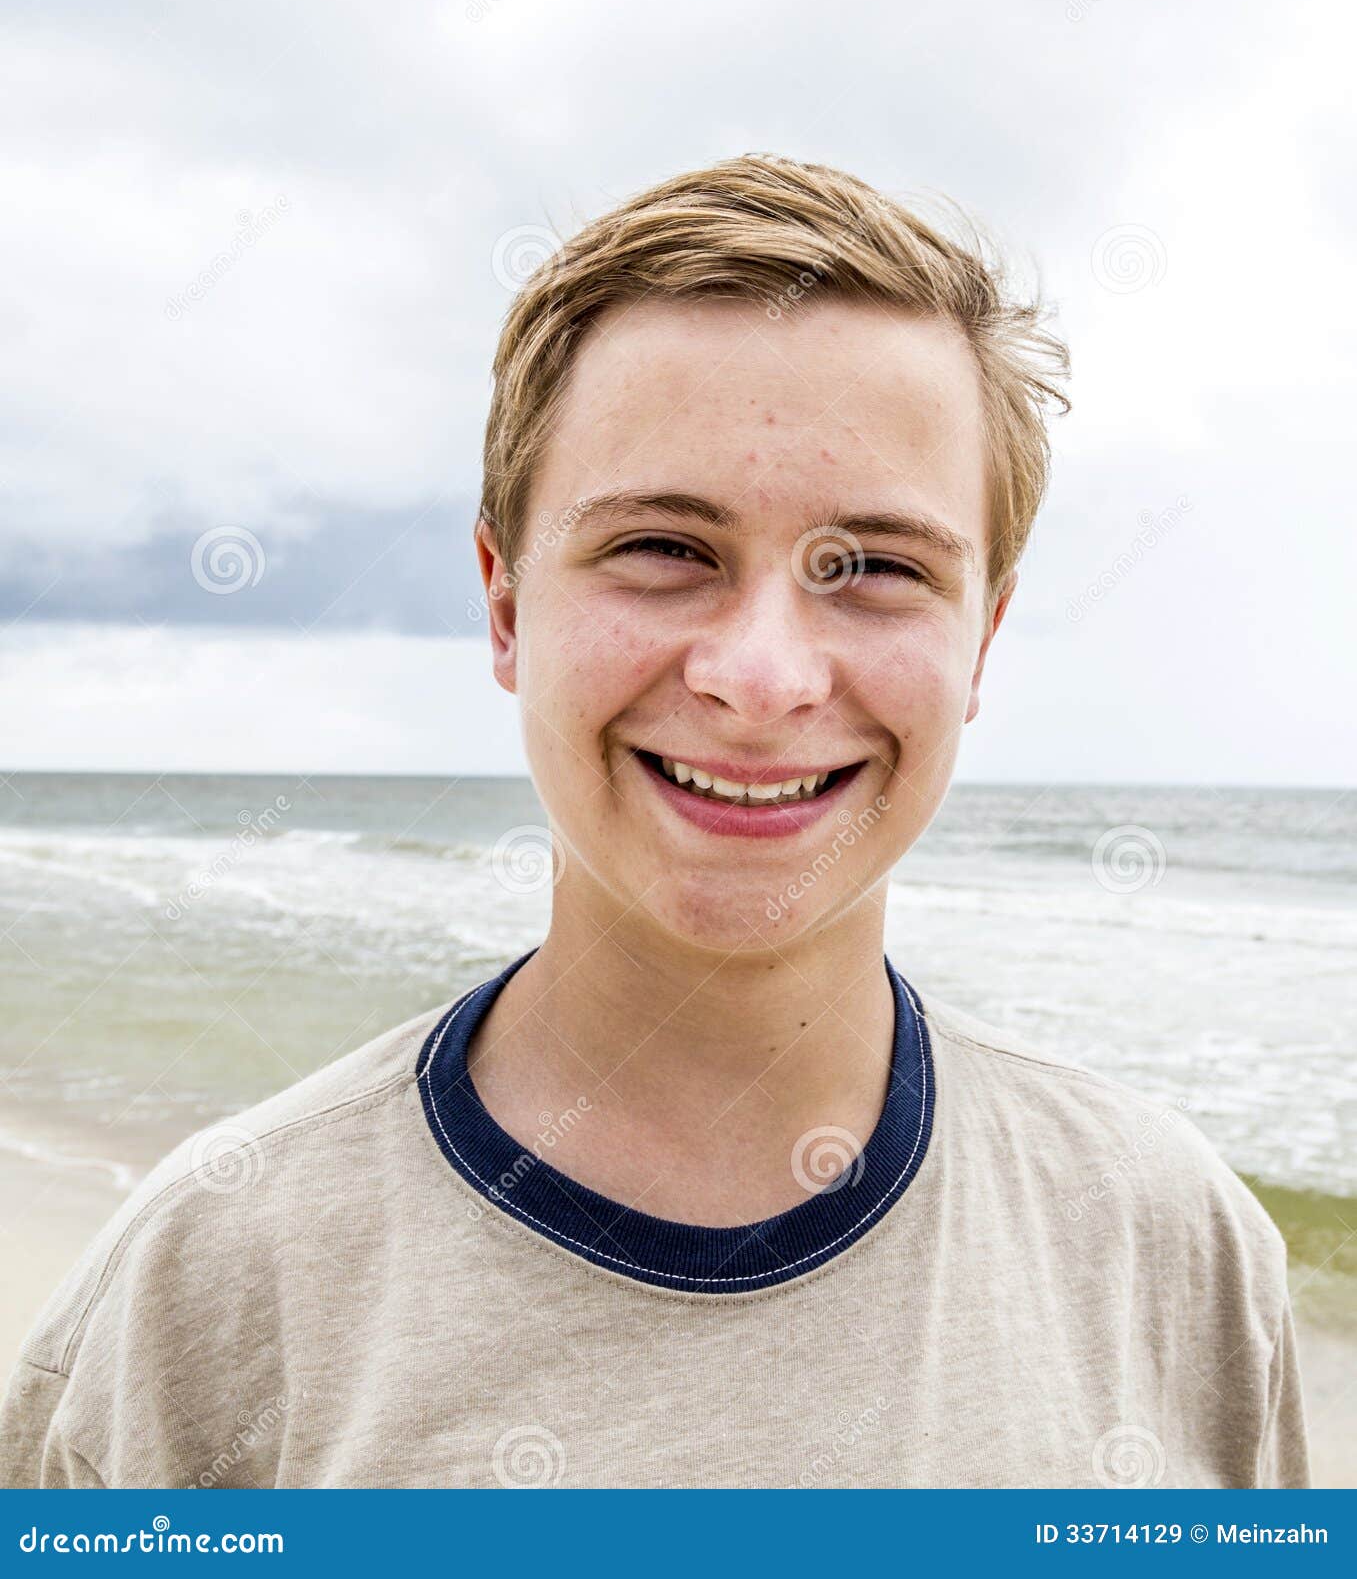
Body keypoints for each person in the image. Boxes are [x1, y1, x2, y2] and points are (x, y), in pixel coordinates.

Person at [0, 155, 1307, 1489]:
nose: (762, 675)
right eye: (664, 549)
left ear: (984, 639)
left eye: (876, 569)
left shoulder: (1168, 1245)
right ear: (506, 602)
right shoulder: (206, 1284)